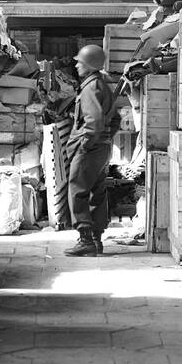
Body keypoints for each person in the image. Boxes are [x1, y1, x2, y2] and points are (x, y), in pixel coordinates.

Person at [64, 43, 120, 257]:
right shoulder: (102, 85)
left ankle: (85, 240)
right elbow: (114, 119)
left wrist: (87, 143)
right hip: (102, 148)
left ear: (89, 65)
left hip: (89, 148)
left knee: (77, 190)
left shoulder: (89, 88)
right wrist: (104, 139)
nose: (77, 65)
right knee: (97, 192)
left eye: (80, 62)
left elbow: (94, 121)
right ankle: (96, 240)